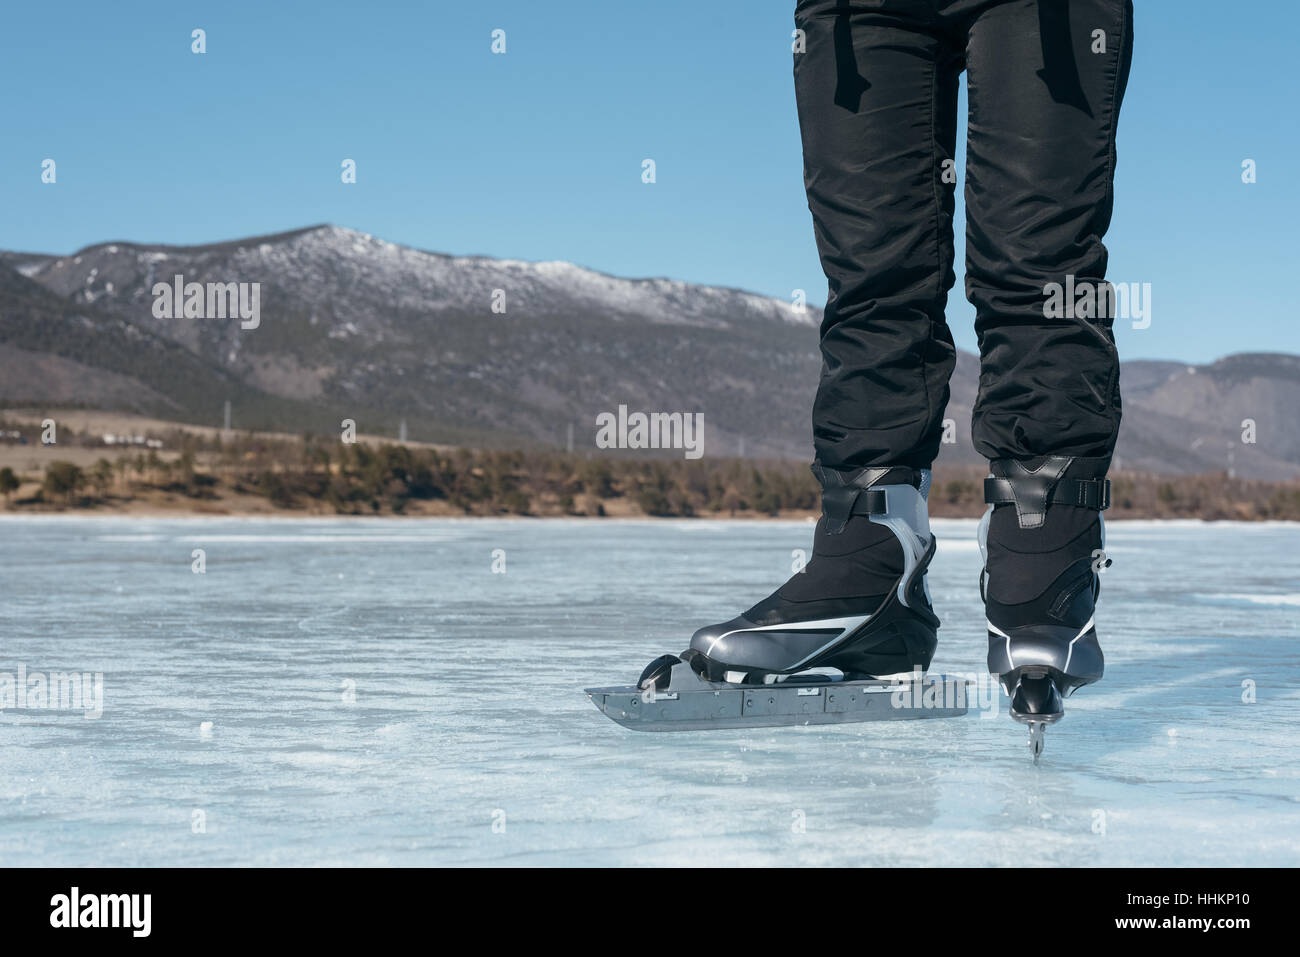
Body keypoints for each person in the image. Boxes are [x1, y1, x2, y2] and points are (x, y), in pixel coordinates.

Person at [644, 0, 1133, 735]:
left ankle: (1046, 546)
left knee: (1040, 266)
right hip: (857, 12)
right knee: (873, 284)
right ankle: (870, 563)